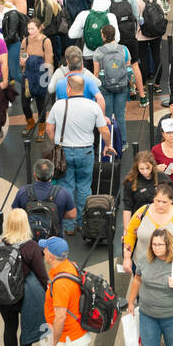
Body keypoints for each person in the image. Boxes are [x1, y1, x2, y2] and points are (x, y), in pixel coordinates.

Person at [47, 74, 113, 234]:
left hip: (64, 152)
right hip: (86, 151)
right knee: (84, 187)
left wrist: (56, 144)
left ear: (68, 88)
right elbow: (103, 129)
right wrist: (108, 145)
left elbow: (49, 128)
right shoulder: (93, 106)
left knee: (66, 187)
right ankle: (83, 222)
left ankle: (69, 227)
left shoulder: (59, 105)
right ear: (83, 89)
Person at [122, 183, 173, 277]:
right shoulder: (142, 212)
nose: (160, 205)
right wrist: (127, 258)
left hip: (171, 271)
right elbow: (130, 234)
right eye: (157, 201)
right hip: (142, 268)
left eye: (164, 202)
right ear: (153, 199)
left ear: (172, 201)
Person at [11, 159, 78, 238]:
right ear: (52, 174)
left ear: (35, 175)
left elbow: (14, 214)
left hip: (29, 239)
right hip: (54, 239)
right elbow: (72, 215)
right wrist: (57, 215)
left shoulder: (23, 191)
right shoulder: (62, 193)